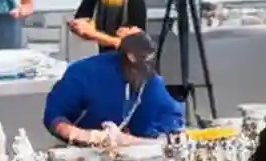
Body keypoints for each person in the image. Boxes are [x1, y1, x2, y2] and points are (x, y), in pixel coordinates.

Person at [42, 31, 183, 146]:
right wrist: (85, 136)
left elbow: (171, 131)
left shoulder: (152, 82)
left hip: (135, 154)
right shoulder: (86, 74)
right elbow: (54, 116)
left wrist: (126, 141)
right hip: (79, 153)